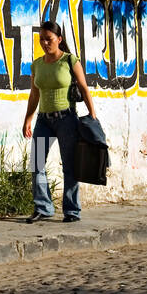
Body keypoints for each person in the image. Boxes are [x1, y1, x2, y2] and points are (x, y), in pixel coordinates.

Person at [22, 20, 98, 222]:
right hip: (43, 121)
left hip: (66, 119)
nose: (45, 43)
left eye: (49, 39)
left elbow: (83, 88)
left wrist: (92, 115)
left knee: (69, 165)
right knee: (36, 163)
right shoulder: (36, 65)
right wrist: (28, 119)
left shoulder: (69, 61)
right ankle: (43, 207)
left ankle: (72, 211)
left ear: (59, 39)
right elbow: (34, 95)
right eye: (42, 40)